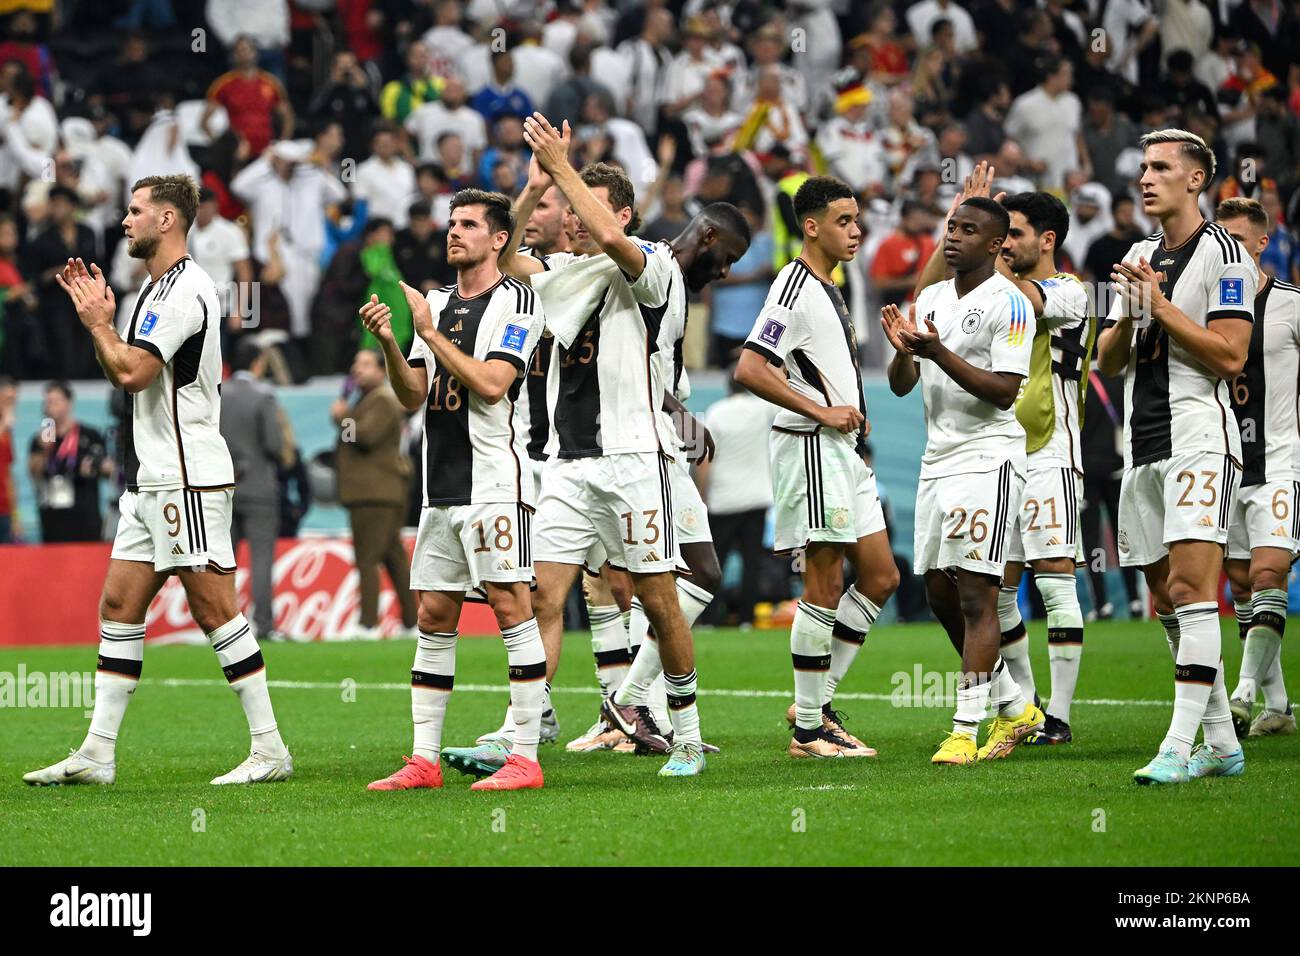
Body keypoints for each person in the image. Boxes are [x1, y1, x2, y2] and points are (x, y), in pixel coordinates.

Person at [458, 115, 748, 778]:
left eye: (577, 208)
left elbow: (615, 237)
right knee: (543, 596)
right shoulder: (566, 271)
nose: (570, 220)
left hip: (635, 459)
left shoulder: (656, 270)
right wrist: (534, 187)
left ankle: (688, 736)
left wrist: (562, 165)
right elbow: (504, 263)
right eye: (566, 210)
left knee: (656, 595)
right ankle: (522, 738)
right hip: (570, 463)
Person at [25, 174, 292, 786]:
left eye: (136, 210)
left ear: (167, 220)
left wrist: (98, 324)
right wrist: (104, 323)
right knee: (119, 604)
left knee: (214, 607)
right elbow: (126, 365)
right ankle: (97, 753)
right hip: (151, 480)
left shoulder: (184, 290)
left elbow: (134, 373)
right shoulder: (151, 290)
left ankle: (270, 749)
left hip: (186, 474)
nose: (125, 221)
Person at [360, 189, 549, 793]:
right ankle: (424, 760)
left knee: (510, 606)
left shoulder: (520, 302)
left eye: (469, 224)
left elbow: (493, 384)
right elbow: (414, 394)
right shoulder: (436, 302)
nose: (454, 233)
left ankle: (524, 757)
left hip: (494, 483)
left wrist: (430, 334)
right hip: (438, 485)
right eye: (451, 223)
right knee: (434, 614)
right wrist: (393, 340)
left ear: (500, 239)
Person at [1094, 129, 1256, 785]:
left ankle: (1177, 744)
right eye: (1143, 167)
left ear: (1196, 180)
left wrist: (1159, 306)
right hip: (1142, 442)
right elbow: (1105, 363)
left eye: (1161, 167)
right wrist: (1132, 316)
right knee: (1166, 600)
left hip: (1199, 439)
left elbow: (1230, 354)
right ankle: (1222, 742)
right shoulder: (1136, 253)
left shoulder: (1228, 255)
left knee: (1193, 591)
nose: (1146, 177)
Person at [735, 175, 899, 758]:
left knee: (881, 576)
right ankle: (808, 729)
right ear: (811, 226)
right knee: (825, 581)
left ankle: (817, 700)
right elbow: (752, 368)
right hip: (808, 446)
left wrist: (851, 411)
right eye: (844, 221)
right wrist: (822, 411)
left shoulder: (831, 284)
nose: (856, 231)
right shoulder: (793, 284)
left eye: (858, 220)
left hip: (840, 450)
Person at [881, 194, 1043, 765]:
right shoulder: (930, 297)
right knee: (936, 591)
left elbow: (1004, 391)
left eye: (969, 230)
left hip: (989, 458)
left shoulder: (1011, 303)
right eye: (952, 226)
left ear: (997, 245)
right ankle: (1016, 707)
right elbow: (902, 383)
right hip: (938, 459)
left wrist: (939, 351)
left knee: (977, 594)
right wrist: (905, 351)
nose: (953, 236)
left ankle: (964, 730)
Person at [947, 184, 1094, 745]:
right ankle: (1026, 708)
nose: (1004, 245)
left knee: (1055, 580)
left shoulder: (1071, 292)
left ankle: (1058, 714)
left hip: (1053, 449)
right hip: (1004, 453)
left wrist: (976, 245)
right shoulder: (994, 290)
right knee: (1000, 589)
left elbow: (1027, 301)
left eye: (1013, 234)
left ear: (1047, 239)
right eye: (999, 235)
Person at [1214, 198, 1300, 737]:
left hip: (1279, 462)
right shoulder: (1210, 309)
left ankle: (1242, 696)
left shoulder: (1291, 304)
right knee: (1243, 586)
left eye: (1239, 242)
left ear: (1263, 243)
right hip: (1224, 466)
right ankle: (1280, 707)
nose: (1229, 254)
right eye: (1221, 243)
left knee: (1270, 575)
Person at [332, 349, 419, 641]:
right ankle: (411, 622)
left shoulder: (382, 398)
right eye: (356, 363)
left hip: (375, 493)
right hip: (380, 491)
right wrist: (346, 418)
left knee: (367, 558)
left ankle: (368, 624)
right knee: (393, 557)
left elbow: (365, 437)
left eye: (366, 364)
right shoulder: (369, 400)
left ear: (382, 371)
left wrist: (342, 416)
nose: (358, 369)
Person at [696, 367, 777, 624]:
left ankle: (710, 620)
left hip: (722, 502)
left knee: (714, 565)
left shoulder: (716, 413)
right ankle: (746, 619)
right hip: (756, 498)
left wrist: (700, 497)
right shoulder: (762, 410)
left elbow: (703, 459)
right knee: (751, 564)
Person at [220, 340, 284, 642]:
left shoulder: (217, 395)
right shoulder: (264, 395)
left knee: (222, 561)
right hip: (259, 488)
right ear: (258, 363)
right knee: (261, 560)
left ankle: (222, 625)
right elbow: (274, 444)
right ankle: (263, 625)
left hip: (222, 487)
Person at [27, 381, 111, 543]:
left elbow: (107, 471)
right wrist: (44, 449)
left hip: (84, 516)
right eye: (48, 402)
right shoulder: (42, 438)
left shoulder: (89, 434)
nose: (50, 407)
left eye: (55, 402)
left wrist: (95, 467)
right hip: (52, 518)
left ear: (68, 403)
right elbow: (34, 472)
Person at [0, 376, 20, 543]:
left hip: (4, 511)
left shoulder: (7, 434)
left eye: (13, 400)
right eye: (7, 400)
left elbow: (8, 475)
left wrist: (15, 515)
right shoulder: (4, 428)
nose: (11, 406)